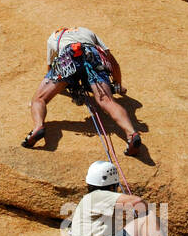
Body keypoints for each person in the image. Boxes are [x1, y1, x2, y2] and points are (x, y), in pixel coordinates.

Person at [23, 26, 142, 155]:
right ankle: (131, 133)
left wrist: (60, 86)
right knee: (107, 101)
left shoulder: (53, 38)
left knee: (39, 99)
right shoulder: (87, 32)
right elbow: (112, 61)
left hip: (67, 58)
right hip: (92, 55)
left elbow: (50, 68)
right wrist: (118, 85)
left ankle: (38, 126)